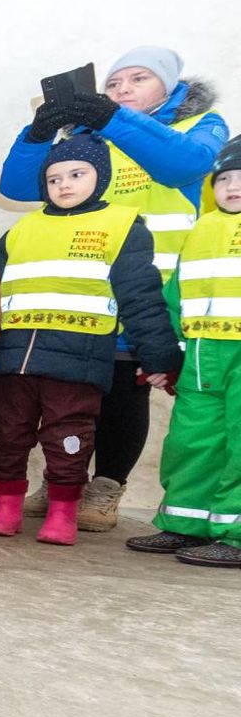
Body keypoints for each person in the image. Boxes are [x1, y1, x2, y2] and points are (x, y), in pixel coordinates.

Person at [0, 46, 228, 529]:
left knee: (126, 391)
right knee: (74, 393)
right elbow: (20, 186)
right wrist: (40, 133)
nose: (123, 90)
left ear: (169, 86)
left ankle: (107, 487)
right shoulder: (85, 138)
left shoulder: (199, 125)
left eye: (138, 79)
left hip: (151, 288)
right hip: (78, 289)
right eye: (113, 84)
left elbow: (183, 167)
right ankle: (67, 481)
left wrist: (111, 118)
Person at [0, 133, 181, 545]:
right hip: (13, 359)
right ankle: (6, 509)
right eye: (54, 179)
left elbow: (141, 297)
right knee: (7, 434)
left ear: (101, 177)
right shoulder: (23, 228)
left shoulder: (123, 225)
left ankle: (62, 513)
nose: (65, 185)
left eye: (77, 174)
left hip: (78, 360)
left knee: (68, 439)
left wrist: (159, 354)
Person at [126, 138, 241, 566]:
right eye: (224, 178)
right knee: (192, 440)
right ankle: (186, 523)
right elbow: (177, 297)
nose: (232, 186)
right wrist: (166, 355)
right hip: (201, 353)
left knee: (240, 443)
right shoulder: (203, 229)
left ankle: (236, 533)